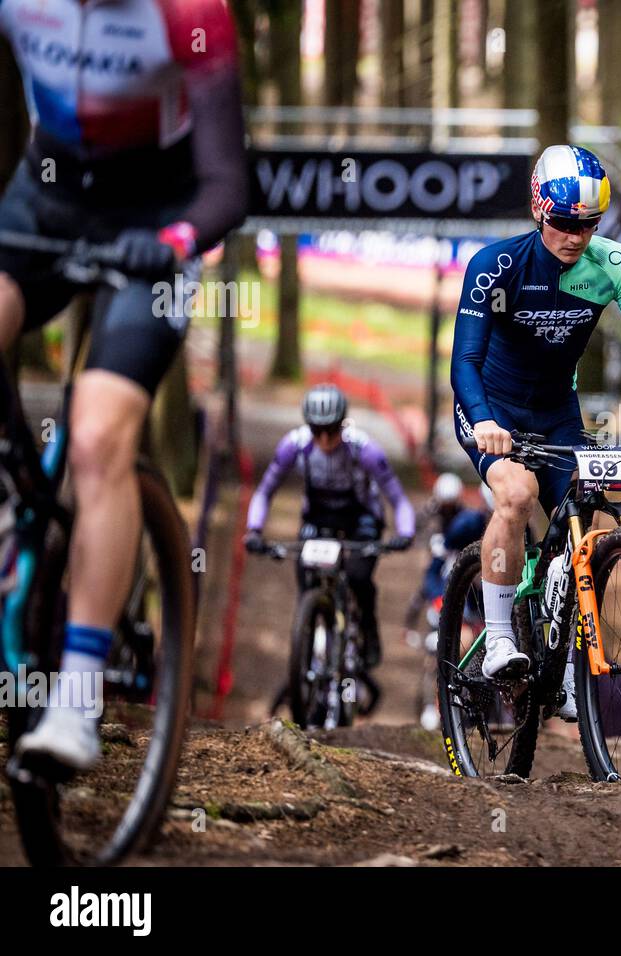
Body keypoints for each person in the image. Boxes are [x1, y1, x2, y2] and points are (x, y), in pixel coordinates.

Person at [2, 0, 249, 771]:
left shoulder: (190, 13)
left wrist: (175, 242)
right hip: (44, 202)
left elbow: (230, 183)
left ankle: (76, 704)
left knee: (101, 432)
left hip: (158, 219)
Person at [451, 144, 621, 712]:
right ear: (538, 210)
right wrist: (488, 425)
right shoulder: (495, 266)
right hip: (491, 407)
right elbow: (464, 364)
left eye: (589, 224)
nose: (576, 236)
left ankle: (563, 648)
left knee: (590, 511)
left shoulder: (615, 265)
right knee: (517, 494)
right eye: (564, 222)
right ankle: (498, 637)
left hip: (556, 414)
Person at [243, 384, 415, 669]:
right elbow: (264, 491)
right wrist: (254, 530)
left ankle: (368, 630)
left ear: (342, 425)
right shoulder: (294, 445)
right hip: (318, 518)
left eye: (332, 430)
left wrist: (405, 533)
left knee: (358, 578)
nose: (324, 439)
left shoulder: (364, 449)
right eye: (317, 431)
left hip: (361, 519)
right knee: (305, 580)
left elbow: (397, 498)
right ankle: (307, 638)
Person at [402, 472, 491, 638]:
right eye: (446, 504)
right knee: (425, 588)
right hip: (439, 546)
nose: (448, 507)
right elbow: (419, 524)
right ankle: (409, 626)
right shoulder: (432, 509)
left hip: (456, 548)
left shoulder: (466, 518)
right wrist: (426, 542)